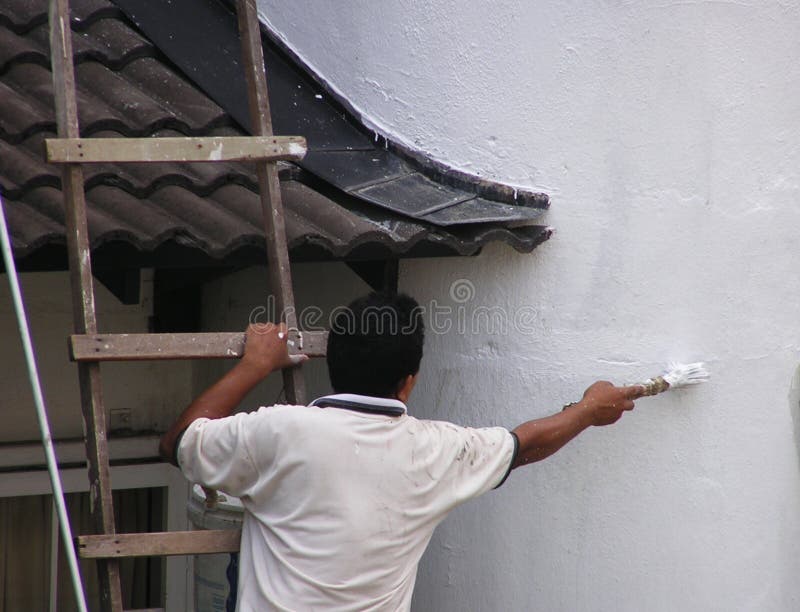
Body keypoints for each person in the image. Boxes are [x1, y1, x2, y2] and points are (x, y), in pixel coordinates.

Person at [160, 293, 643, 611]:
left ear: (335, 363)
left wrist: (256, 365)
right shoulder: (437, 450)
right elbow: (525, 445)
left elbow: (178, 442)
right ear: (408, 382)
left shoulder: (278, 430)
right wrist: (589, 409)